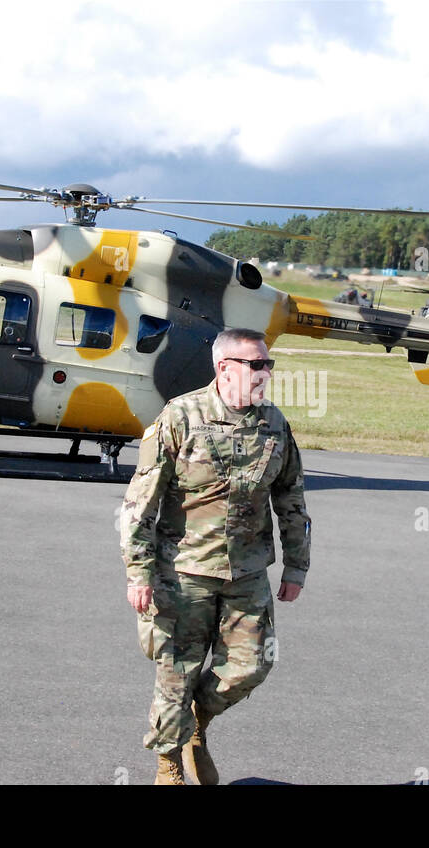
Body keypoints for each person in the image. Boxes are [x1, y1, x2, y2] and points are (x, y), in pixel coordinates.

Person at [121, 327, 311, 785]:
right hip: (183, 572)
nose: (266, 372)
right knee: (176, 673)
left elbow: (291, 497)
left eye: (269, 364)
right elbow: (140, 502)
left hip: (247, 573)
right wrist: (139, 572)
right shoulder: (180, 417)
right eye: (256, 365)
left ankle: (195, 727)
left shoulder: (273, 423)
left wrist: (297, 564)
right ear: (225, 368)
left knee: (251, 665)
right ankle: (168, 766)